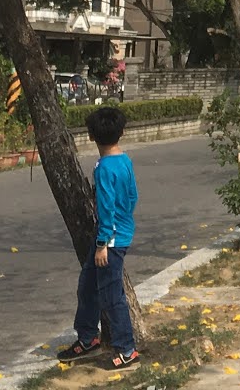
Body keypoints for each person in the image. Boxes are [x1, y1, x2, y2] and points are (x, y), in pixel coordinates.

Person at [56, 105, 141, 371]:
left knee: (112, 295)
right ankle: (88, 337)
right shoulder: (124, 161)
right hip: (118, 232)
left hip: (110, 240)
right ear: (122, 132)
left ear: (91, 136)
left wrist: (103, 243)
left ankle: (127, 349)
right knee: (88, 286)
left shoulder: (105, 169)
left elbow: (105, 208)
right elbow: (132, 196)